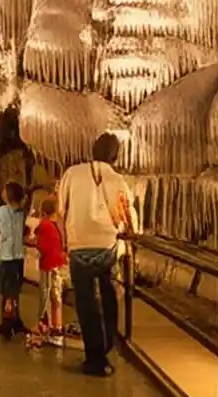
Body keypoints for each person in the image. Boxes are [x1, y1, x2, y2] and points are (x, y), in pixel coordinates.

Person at [57, 132, 136, 376]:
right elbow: (125, 214)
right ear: (115, 155)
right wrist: (131, 235)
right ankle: (108, 341)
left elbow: (61, 211)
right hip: (106, 246)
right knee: (108, 290)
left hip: (79, 244)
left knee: (86, 299)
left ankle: (94, 357)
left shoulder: (72, 173)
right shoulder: (117, 180)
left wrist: (65, 242)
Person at [25, 197, 67, 349]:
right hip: (57, 264)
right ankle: (57, 327)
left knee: (46, 295)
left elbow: (42, 246)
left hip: (48, 265)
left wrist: (31, 242)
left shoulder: (44, 225)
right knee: (57, 297)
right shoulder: (57, 226)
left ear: (42, 211)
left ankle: (44, 325)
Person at [0, 182, 29, 339]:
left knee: (7, 291)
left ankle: (8, 322)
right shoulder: (22, 213)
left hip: (5, 257)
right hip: (18, 257)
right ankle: (14, 320)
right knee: (14, 290)